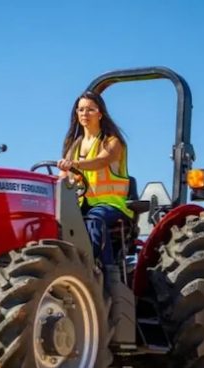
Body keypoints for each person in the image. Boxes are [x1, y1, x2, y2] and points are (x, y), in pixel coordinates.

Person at [57, 91, 133, 270]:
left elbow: (101, 161)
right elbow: (63, 177)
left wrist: (74, 164)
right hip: (80, 203)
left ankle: (106, 272)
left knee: (94, 220)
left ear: (100, 114)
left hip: (111, 204)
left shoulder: (112, 142)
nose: (85, 113)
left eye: (90, 109)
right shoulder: (74, 146)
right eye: (81, 109)